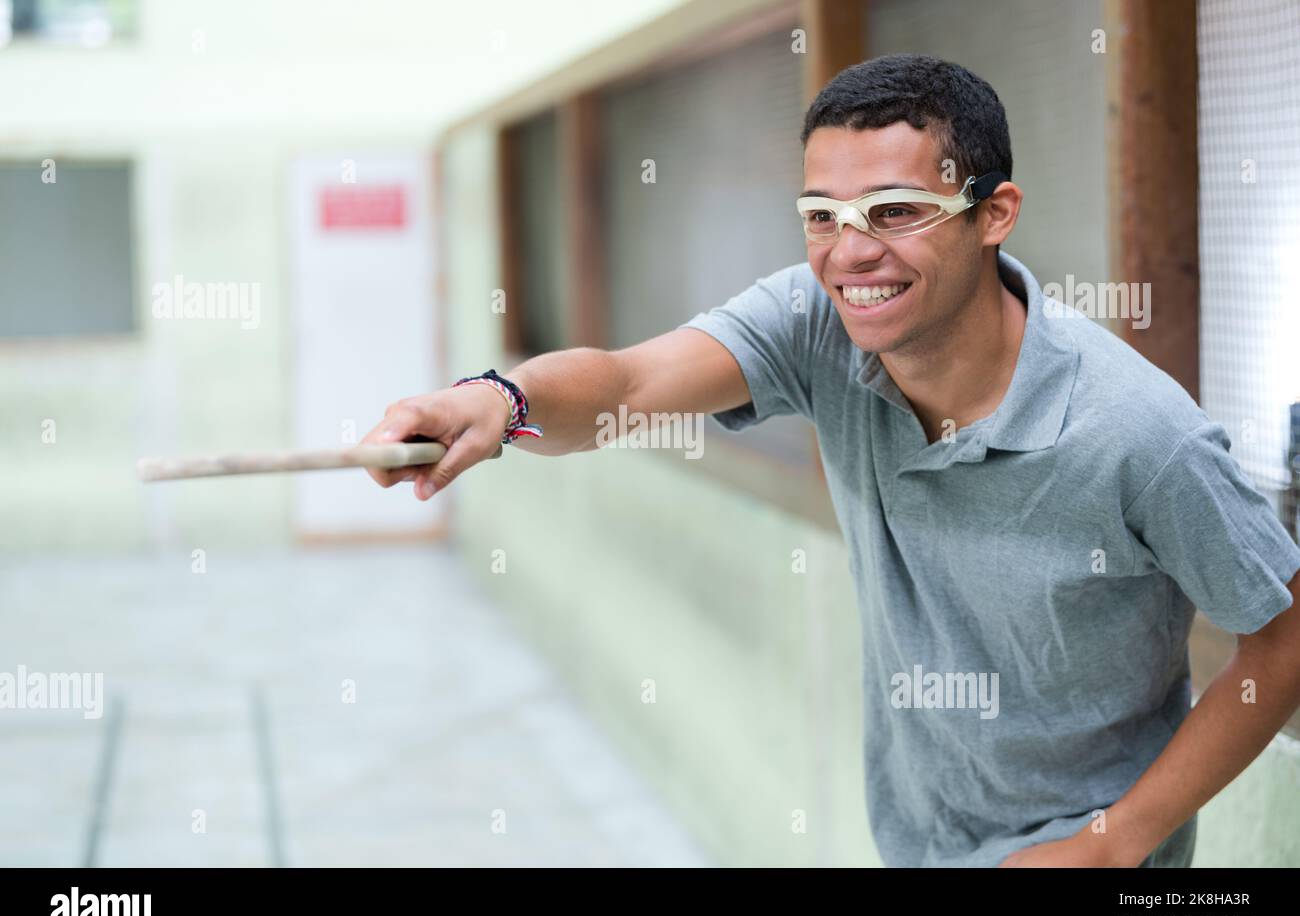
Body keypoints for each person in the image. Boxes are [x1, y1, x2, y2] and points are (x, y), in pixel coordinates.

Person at [361, 54, 1300, 867]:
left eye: (894, 210)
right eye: (822, 214)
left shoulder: (1137, 431)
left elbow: (1285, 633)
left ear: (994, 213)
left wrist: (1112, 840)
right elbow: (627, 385)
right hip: (919, 839)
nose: (851, 252)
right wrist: (498, 400)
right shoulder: (818, 326)